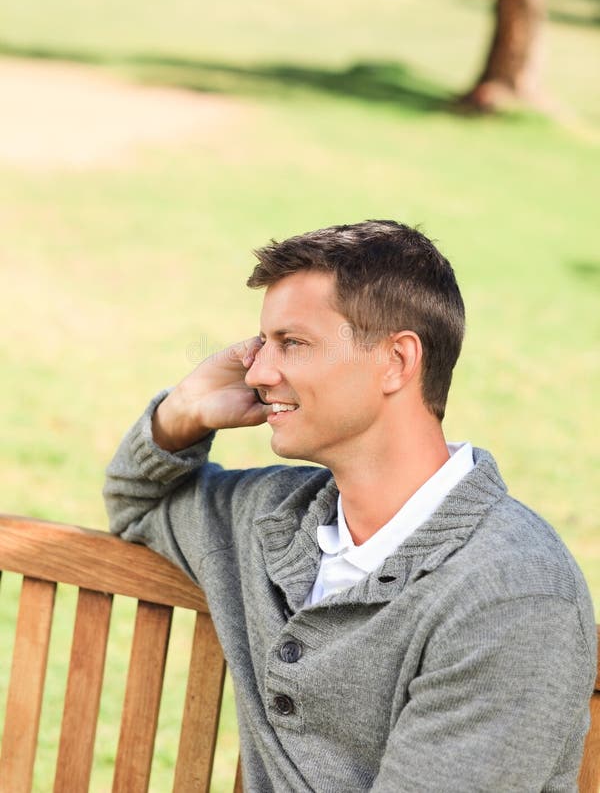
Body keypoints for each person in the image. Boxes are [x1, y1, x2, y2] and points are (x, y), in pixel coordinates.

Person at [104, 220, 596, 793]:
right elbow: (137, 504)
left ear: (397, 360)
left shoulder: (510, 595)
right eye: (261, 344)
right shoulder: (271, 518)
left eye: (292, 343)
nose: (257, 373)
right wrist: (182, 411)